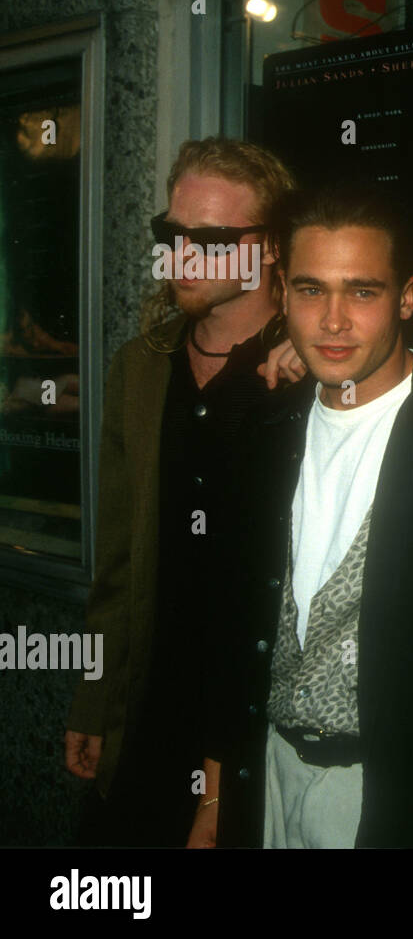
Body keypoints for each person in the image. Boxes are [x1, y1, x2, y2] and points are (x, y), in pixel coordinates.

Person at [189, 183, 413, 848]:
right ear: (282, 296)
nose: (333, 321)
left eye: (362, 291)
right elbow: (225, 630)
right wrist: (214, 802)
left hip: (397, 797)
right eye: (310, 290)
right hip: (266, 775)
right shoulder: (258, 431)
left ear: (408, 297)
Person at [64, 137, 295, 846]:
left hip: (257, 732)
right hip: (149, 715)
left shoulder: (311, 376)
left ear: (273, 248)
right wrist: (95, 699)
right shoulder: (142, 366)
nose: (182, 255)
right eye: (173, 234)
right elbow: (119, 564)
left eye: (214, 238)